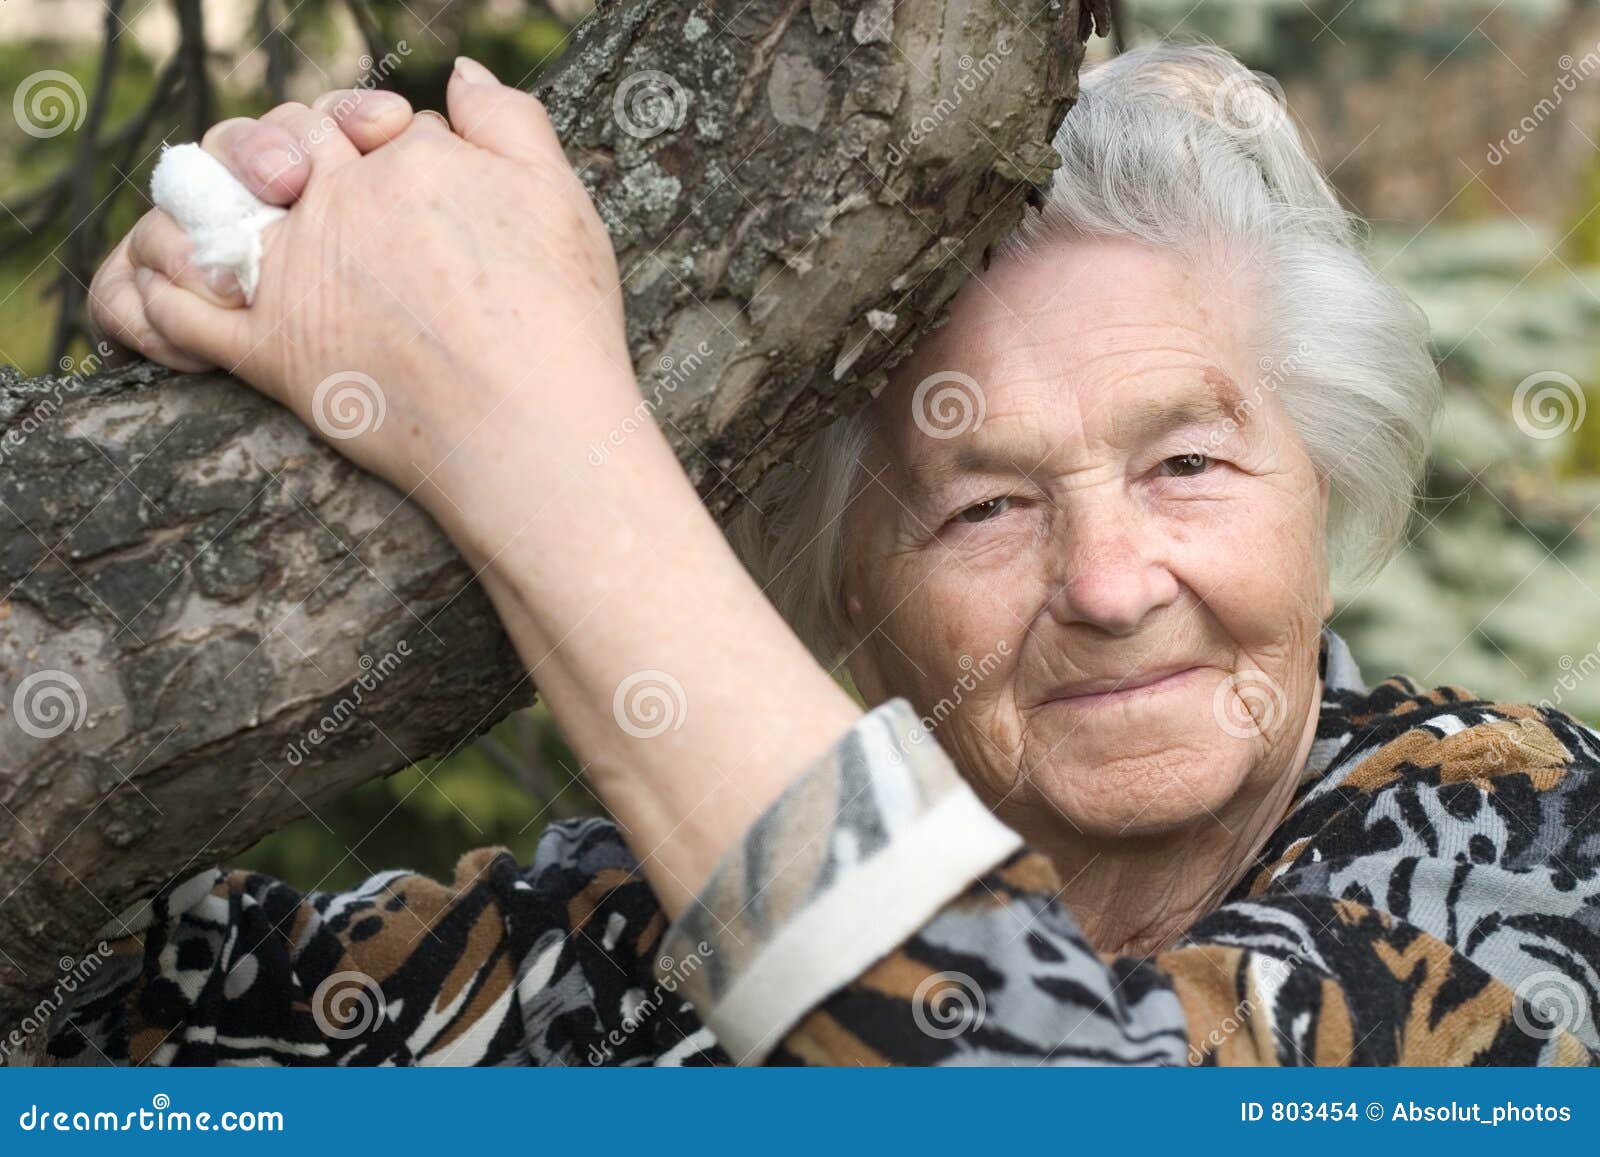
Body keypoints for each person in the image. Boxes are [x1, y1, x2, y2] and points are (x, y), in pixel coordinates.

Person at [59, 45, 1599, 1066]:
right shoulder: (621, 948)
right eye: (985, 505)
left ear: (1314, 489)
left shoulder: (1519, 832)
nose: (1115, 584)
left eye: (1187, 464)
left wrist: (514, 414)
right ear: (845, 591)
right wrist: (221, 409)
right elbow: (92, 1033)